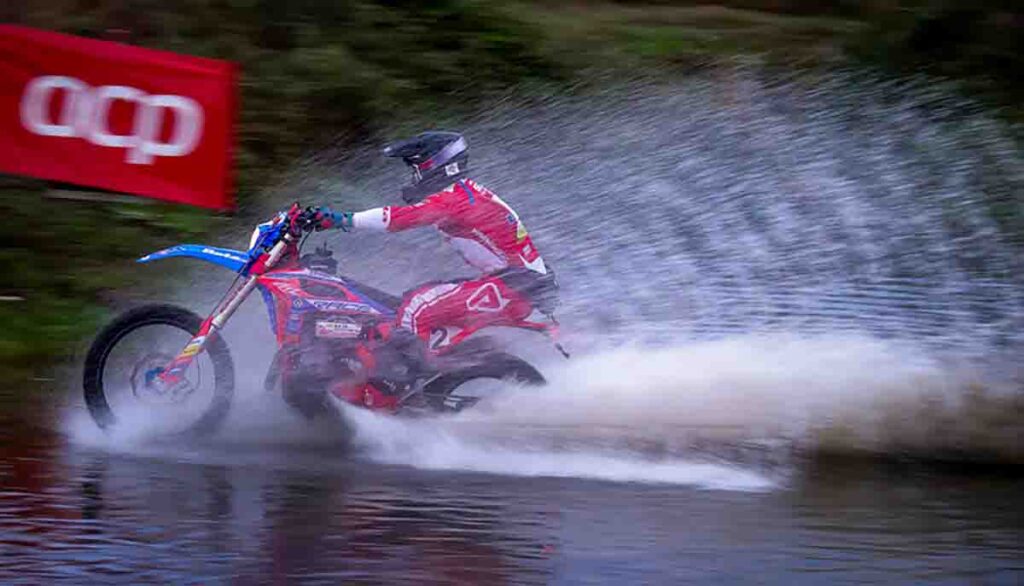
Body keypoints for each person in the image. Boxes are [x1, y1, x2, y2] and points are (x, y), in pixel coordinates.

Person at [290, 131, 558, 389]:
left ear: (437, 165)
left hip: (516, 286)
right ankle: (413, 373)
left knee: (416, 307)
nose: (414, 177)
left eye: (417, 169)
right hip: (514, 282)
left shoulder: (456, 199)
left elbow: (398, 219)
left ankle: (400, 379)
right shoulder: (461, 193)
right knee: (405, 302)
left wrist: (340, 220)